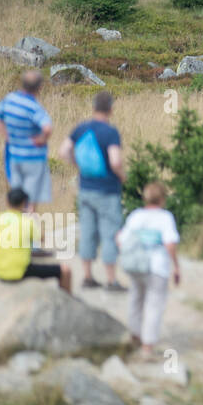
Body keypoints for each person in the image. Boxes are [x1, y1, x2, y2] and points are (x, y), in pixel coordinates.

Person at [60, 90, 127, 292]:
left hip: (85, 188)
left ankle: (88, 276)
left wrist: (77, 165)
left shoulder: (81, 129)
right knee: (109, 233)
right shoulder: (110, 132)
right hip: (107, 189)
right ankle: (111, 279)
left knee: (87, 232)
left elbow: (63, 151)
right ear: (111, 109)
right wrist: (123, 176)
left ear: (93, 107)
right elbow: (115, 161)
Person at [115, 182, 179, 356]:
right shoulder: (165, 218)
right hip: (157, 267)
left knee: (135, 299)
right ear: (163, 199)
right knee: (154, 305)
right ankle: (147, 346)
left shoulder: (136, 216)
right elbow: (170, 243)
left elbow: (120, 238)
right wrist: (176, 267)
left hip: (136, 265)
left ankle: (135, 335)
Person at [0, 70, 53, 212]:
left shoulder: (10, 99)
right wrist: (41, 139)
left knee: (17, 197)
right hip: (33, 159)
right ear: (39, 87)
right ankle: (27, 229)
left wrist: (6, 135)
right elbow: (48, 128)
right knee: (30, 202)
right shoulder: (34, 108)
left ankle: (15, 229)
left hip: (14, 155)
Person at [0, 188, 72, 293]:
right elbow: (42, 239)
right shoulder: (27, 222)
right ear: (24, 203)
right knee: (65, 270)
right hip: (21, 270)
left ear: (7, 201)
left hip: (1, 272)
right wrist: (32, 216)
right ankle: (66, 303)